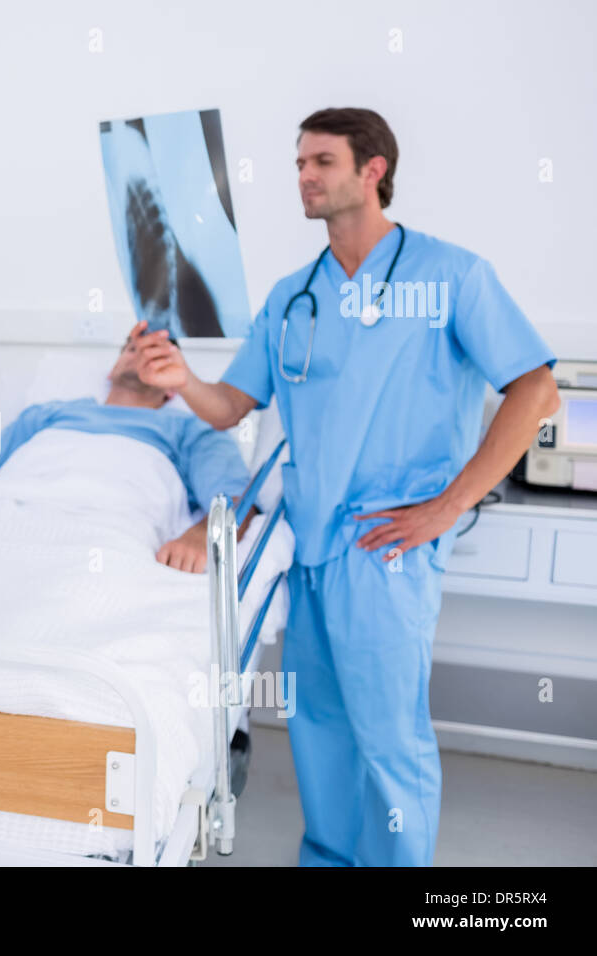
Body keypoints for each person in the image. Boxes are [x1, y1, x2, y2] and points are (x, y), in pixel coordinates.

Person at [140, 107, 559, 866]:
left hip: (388, 545)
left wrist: (448, 506)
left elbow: (536, 389)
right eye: (299, 162)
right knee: (320, 732)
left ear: (374, 171)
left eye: (322, 162)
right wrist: (180, 380)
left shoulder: (451, 276)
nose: (304, 176)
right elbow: (234, 405)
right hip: (310, 541)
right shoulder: (293, 294)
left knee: (390, 739)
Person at [0, 321, 256, 566]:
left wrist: (199, 537)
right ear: (112, 368)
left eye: (155, 356)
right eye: (132, 348)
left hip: (107, 537)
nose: (138, 357)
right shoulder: (47, 414)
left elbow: (234, 499)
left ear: (172, 385)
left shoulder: (191, 429)